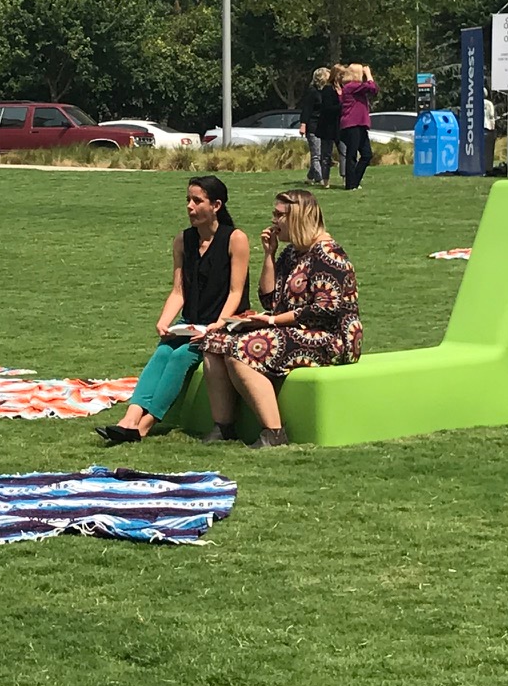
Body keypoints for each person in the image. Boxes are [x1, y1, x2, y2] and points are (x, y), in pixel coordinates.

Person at [194, 190, 362, 448]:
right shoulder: (292, 253)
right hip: (296, 328)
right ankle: (224, 425)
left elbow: (324, 310)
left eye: (278, 215)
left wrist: (272, 322)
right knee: (214, 343)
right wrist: (269, 255)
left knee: (242, 351)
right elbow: (270, 300)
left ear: (296, 217)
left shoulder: (328, 254)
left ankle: (273, 431)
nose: (273, 221)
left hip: (332, 338)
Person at [95, 176, 251, 445]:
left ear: (216, 205)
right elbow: (179, 291)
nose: (190, 206)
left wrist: (216, 325)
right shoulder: (183, 240)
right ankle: (128, 419)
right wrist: (165, 321)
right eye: (188, 200)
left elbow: (236, 292)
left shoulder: (234, 239)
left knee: (181, 357)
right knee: (163, 351)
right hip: (190, 321)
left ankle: (144, 425)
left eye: (197, 201)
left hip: (223, 323)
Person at [337, 64, 378, 190]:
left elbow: (372, 90)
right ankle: (350, 184)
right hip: (351, 124)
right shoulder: (351, 87)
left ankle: (354, 181)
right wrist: (369, 74)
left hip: (360, 124)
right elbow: (373, 88)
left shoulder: (356, 88)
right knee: (352, 154)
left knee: (367, 154)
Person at [298, 68, 333, 186]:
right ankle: (321, 178)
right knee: (316, 154)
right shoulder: (312, 92)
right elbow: (306, 109)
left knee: (322, 154)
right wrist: (303, 125)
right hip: (313, 125)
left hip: (323, 126)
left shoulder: (327, 91)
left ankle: (310, 176)